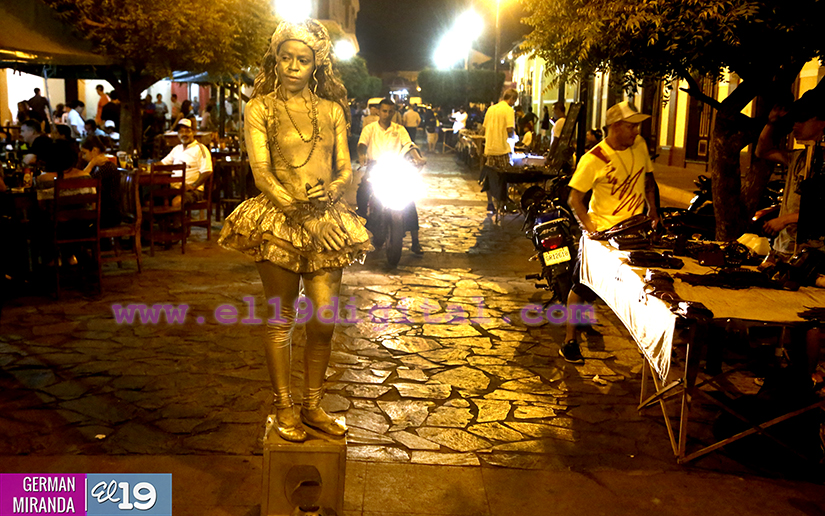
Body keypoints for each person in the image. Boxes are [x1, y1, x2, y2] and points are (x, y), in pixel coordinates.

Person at [218, 19, 372, 443]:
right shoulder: (261, 107)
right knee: (281, 318)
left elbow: (345, 169)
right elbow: (262, 173)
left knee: (323, 321)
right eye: (285, 57)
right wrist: (299, 210)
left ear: (316, 65)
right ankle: (284, 404)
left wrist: (333, 190)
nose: (292, 65)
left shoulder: (332, 110)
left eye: (302, 59)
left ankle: (313, 404)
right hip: (280, 221)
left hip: (327, 219)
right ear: (275, 58)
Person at [562, 101, 659, 364]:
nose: (636, 131)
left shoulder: (639, 147)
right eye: (631, 126)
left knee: (640, 289)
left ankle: (645, 344)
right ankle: (570, 340)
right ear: (615, 127)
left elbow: (649, 180)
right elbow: (575, 199)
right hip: (603, 235)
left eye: (637, 125)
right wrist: (591, 230)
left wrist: (653, 210)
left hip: (635, 232)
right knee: (581, 287)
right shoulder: (594, 158)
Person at [756, 102, 825, 265]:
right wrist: (771, 123)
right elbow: (762, 151)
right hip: (783, 249)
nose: (795, 125)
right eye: (794, 120)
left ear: (822, 123)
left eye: (802, 120)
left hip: (812, 253)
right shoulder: (798, 157)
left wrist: (786, 219)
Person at [357, 98, 426, 254]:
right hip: (375, 168)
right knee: (362, 193)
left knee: (408, 201)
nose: (387, 114)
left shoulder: (399, 129)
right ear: (379, 111)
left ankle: (415, 241)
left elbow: (409, 145)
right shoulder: (370, 129)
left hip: (395, 168)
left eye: (390, 111)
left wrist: (417, 157)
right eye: (384, 111)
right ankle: (362, 224)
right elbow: (362, 144)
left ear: (394, 112)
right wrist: (362, 156)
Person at [158, 119, 212, 208]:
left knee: (176, 202)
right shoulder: (176, 149)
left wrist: (194, 185)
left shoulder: (200, 148)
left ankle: (177, 222)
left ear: (194, 132)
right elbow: (163, 163)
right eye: (181, 132)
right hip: (174, 189)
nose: (184, 134)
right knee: (149, 200)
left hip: (193, 191)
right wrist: (148, 167)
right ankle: (166, 222)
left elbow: (207, 171)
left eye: (187, 131)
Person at [481, 88, 518, 213]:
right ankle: (502, 204)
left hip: (490, 149)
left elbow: (483, 127)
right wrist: (514, 137)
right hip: (502, 149)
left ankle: (490, 203)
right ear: (512, 98)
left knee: (490, 177)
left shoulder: (491, 109)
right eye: (514, 100)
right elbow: (509, 129)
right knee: (504, 177)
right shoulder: (509, 110)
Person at [80, 135, 121, 228]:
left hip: (108, 215)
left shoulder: (106, 167)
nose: (82, 157)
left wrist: (91, 164)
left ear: (94, 150)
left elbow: (82, 182)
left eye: (84, 153)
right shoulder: (98, 166)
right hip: (100, 211)